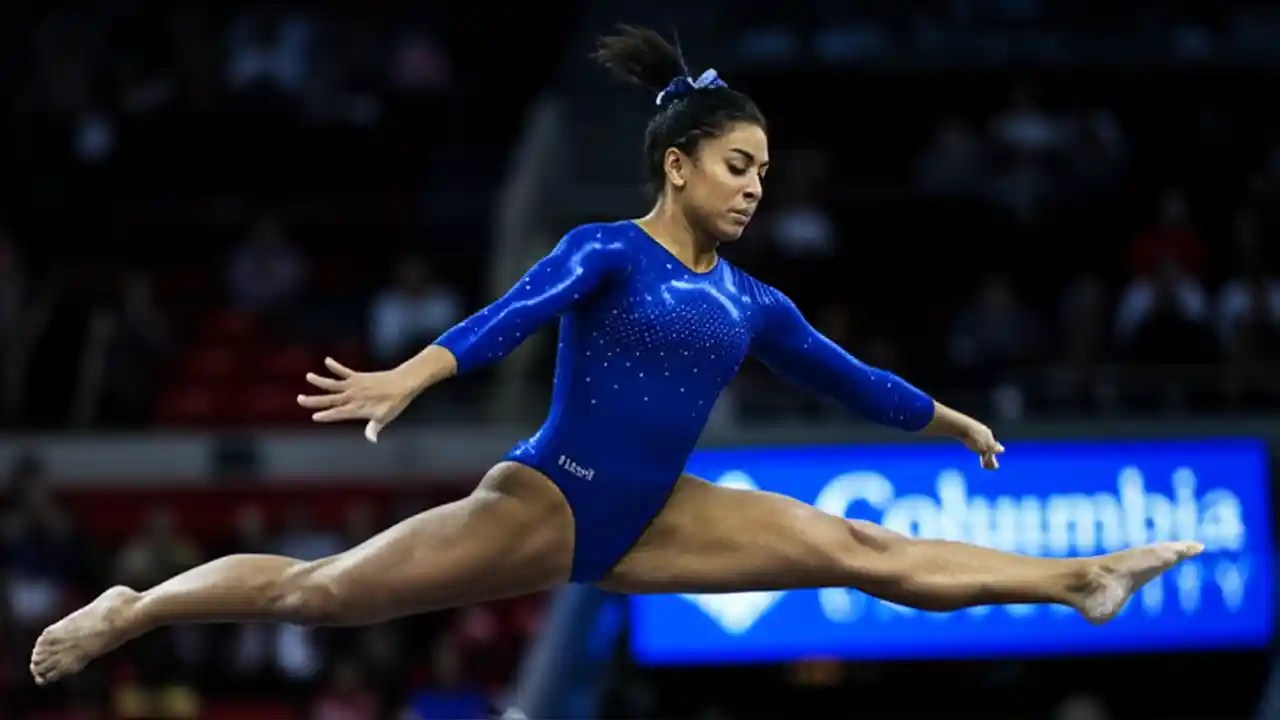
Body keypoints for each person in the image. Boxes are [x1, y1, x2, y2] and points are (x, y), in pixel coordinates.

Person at [30, 25, 1200, 686]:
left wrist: (949, 421)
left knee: (861, 547)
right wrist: (413, 374)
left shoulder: (750, 300)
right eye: (737, 165)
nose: (754, 187)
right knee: (318, 594)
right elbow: (509, 316)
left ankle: (1080, 577)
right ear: (677, 162)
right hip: (549, 496)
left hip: (655, 514)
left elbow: (851, 379)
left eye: (765, 172)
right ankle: (137, 607)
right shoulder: (606, 248)